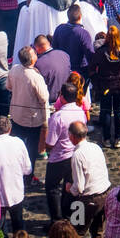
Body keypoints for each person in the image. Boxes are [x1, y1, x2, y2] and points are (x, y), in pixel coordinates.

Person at [64, 119, 111, 238]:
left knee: (75, 232)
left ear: (72, 136)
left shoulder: (77, 155)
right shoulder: (95, 147)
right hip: (104, 195)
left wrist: (69, 189)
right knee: (97, 234)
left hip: (87, 201)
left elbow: (79, 187)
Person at [44, 81, 85, 220]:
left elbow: (50, 143)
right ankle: (71, 217)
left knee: (52, 188)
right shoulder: (80, 111)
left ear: (62, 96)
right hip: (75, 154)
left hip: (59, 158)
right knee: (70, 187)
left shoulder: (58, 117)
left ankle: (56, 220)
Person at [6, 45, 49, 176]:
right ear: (31, 59)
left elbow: (8, 86)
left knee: (17, 144)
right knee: (31, 147)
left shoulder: (14, 69)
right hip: (31, 119)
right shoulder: (35, 77)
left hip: (16, 115)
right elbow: (44, 98)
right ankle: (29, 173)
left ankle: (17, 168)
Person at [88, 25, 120, 148]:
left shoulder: (100, 52)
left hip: (105, 85)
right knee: (118, 112)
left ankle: (107, 138)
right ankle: (118, 137)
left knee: (106, 111)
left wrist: (97, 82)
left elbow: (91, 70)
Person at [51, 2, 94, 73]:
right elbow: (90, 55)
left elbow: (54, 49)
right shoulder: (83, 33)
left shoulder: (59, 28)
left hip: (62, 69)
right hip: (79, 73)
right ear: (80, 16)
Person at [33, 34, 72, 107]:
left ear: (37, 48)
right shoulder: (65, 54)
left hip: (49, 101)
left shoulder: (38, 63)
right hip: (66, 97)